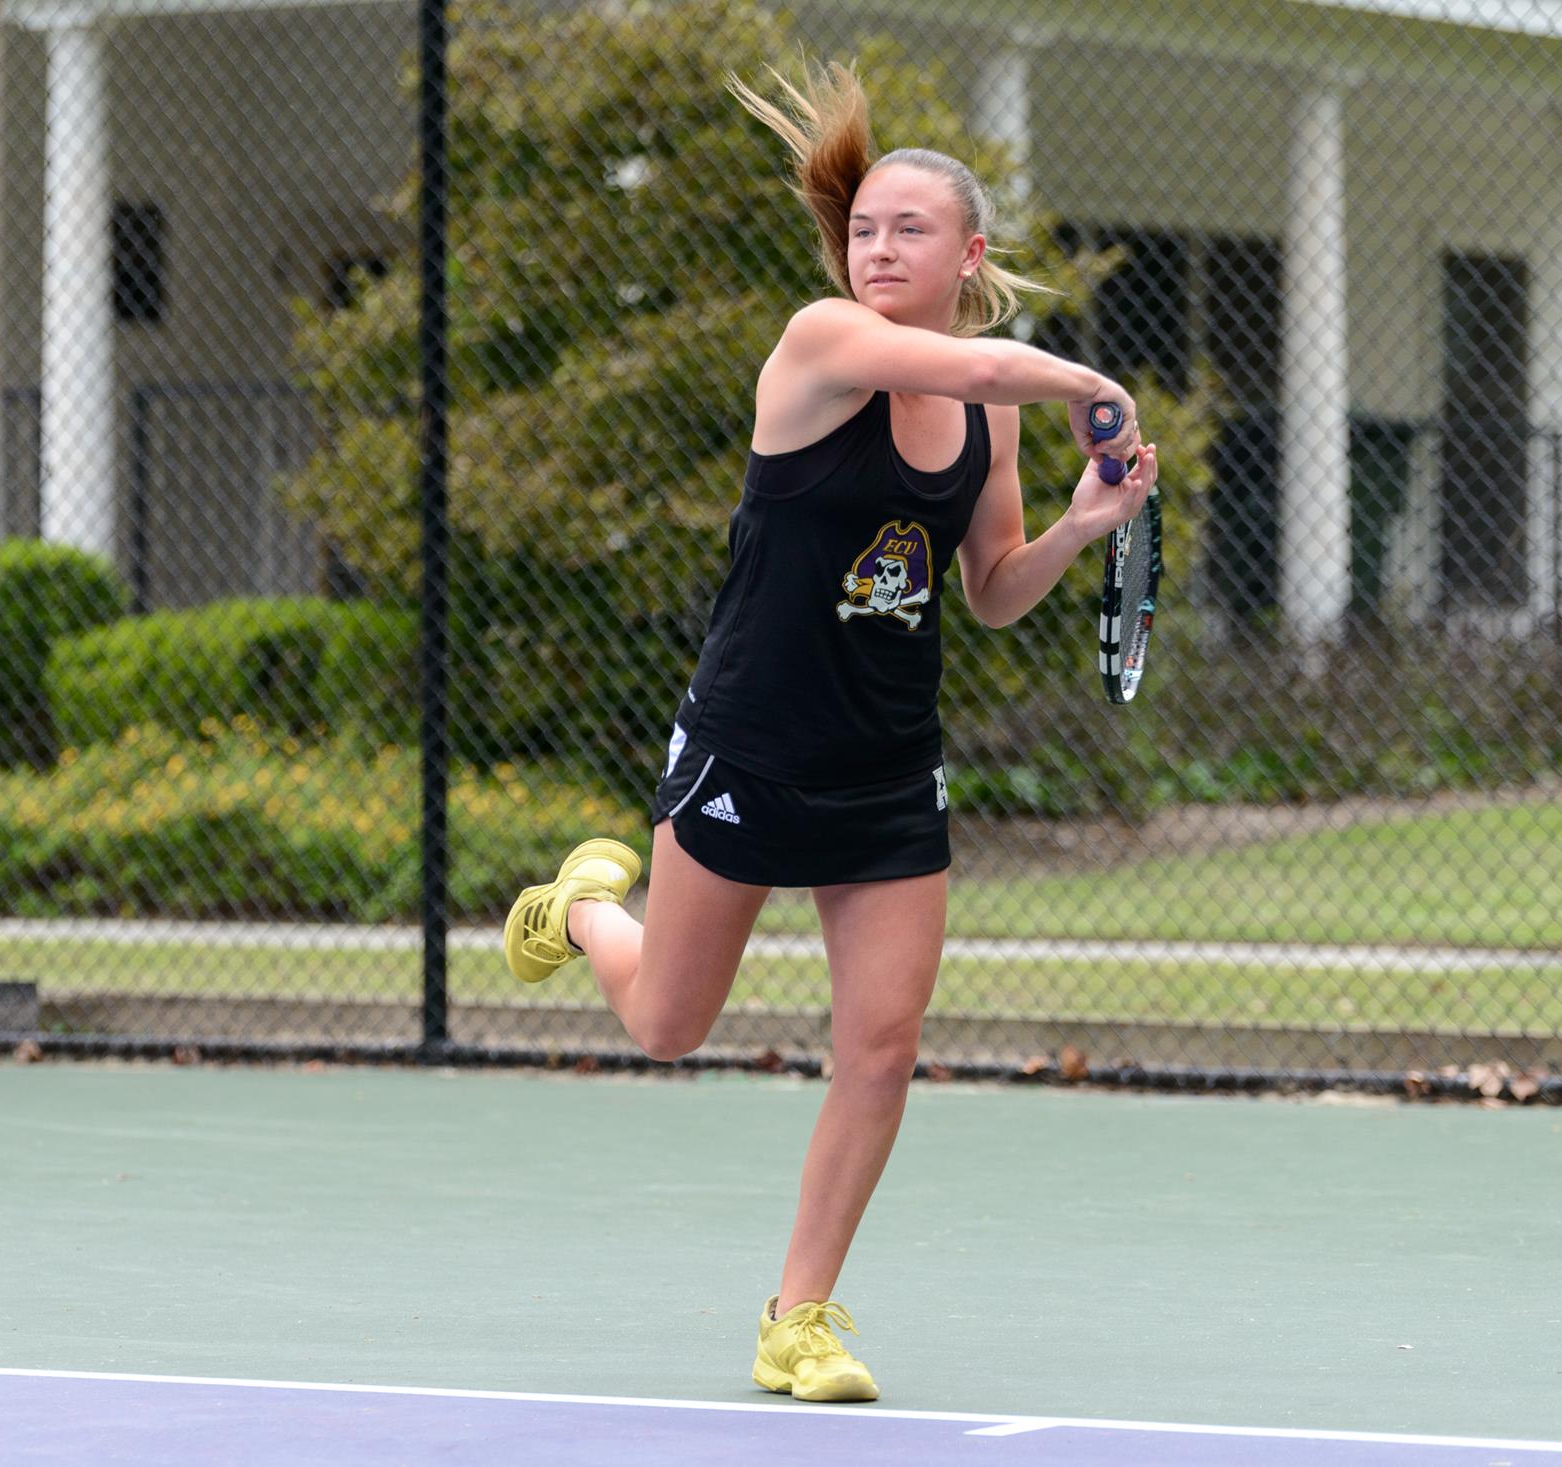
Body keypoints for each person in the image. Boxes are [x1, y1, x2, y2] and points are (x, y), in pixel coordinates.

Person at [500, 59, 1157, 1403]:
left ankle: (797, 1318)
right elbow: (991, 357)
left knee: (881, 1046)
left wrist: (1081, 525)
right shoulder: (821, 342)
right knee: (669, 1025)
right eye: (865, 228)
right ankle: (583, 911)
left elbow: (991, 590)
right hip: (750, 744)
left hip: (887, 768)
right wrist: (1090, 380)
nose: (878, 248)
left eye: (910, 229)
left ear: (968, 255)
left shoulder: (985, 415)